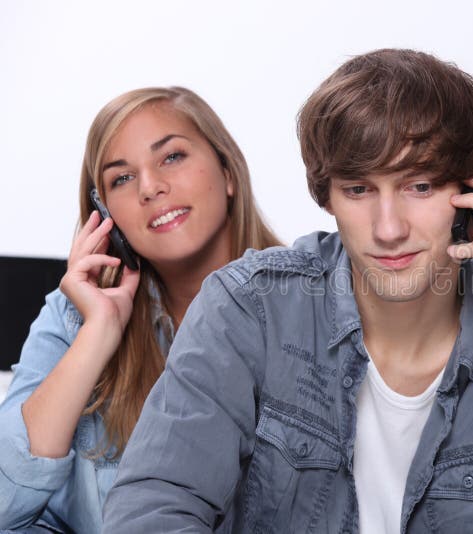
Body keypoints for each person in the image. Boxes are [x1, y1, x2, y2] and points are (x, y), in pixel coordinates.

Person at [104, 49, 473, 533]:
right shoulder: (249, 309)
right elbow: (149, 513)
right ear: (328, 196)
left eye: (420, 186)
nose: (388, 229)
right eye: (359, 190)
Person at [0, 86, 281, 533]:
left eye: (171, 157)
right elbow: (7, 509)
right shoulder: (72, 317)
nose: (151, 187)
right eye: (122, 179)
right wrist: (97, 334)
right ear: (104, 215)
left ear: (228, 172)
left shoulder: (309, 304)